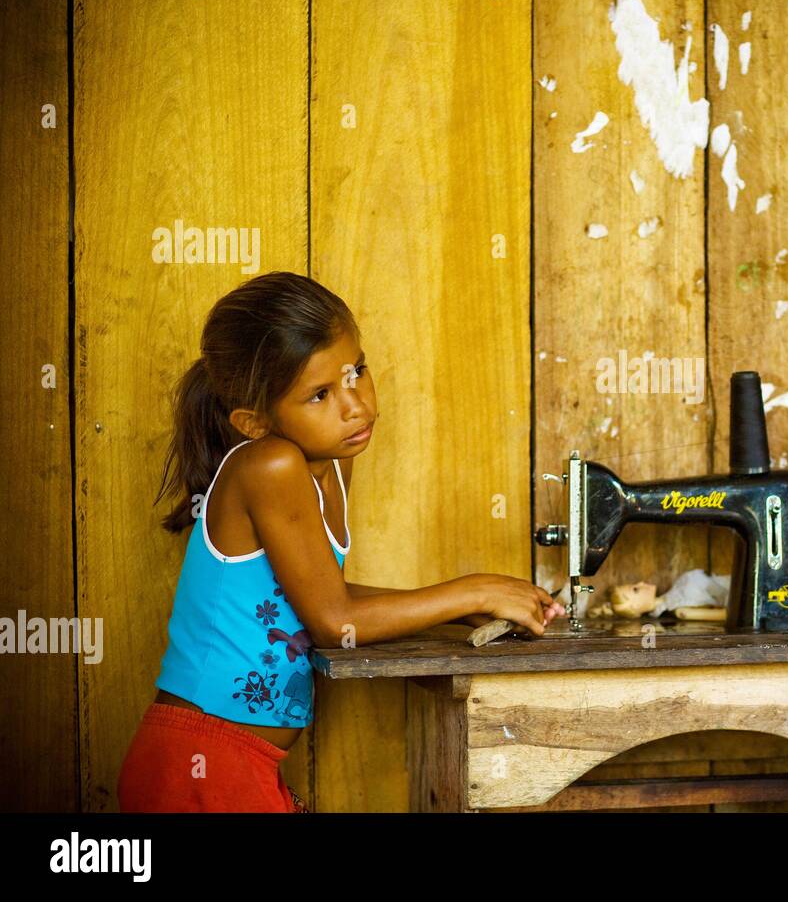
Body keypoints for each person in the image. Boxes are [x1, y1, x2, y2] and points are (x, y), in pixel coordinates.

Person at [116, 272, 562, 812]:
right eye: (321, 394)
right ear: (254, 421)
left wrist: (454, 612)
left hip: (243, 759)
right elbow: (334, 620)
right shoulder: (270, 464)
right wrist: (473, 591)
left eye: (357, 372)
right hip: (200, 762)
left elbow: (322, 596)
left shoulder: (331, 464)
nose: (355, 404)